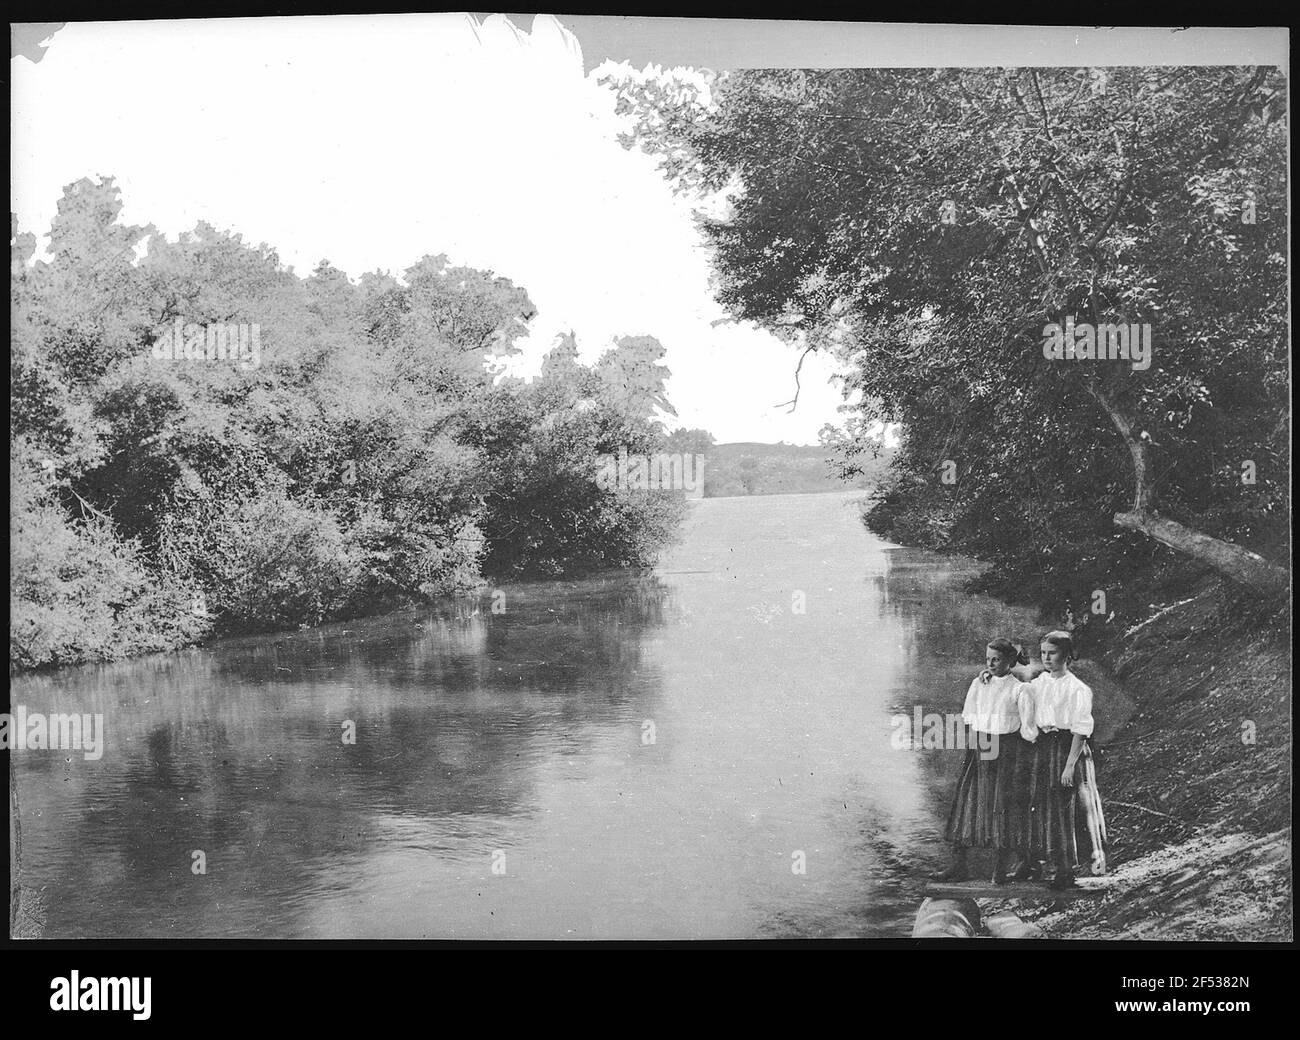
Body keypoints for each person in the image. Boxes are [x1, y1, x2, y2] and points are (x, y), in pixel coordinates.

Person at [931, 638, 1037, 884]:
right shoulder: (979, 684)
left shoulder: (1020, 690)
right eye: (988, 658)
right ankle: (959, 865)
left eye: (996, 659)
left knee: (1002, 806)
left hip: (1006, 751)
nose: (990, 663)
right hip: (980, 748)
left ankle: (1000, 868)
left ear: (1010, 661)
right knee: (969, 802)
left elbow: (1029, 730)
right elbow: (969, 716)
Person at [1022, 630, 1095, 890]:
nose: (1046, 658)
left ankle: (1067, 868)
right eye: (1043, 653)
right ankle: (1037, 862)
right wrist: (988, 677)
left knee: (1065, 806)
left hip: (1067, 749)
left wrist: (1069, 765)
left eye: (1052, 653)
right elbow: (1017, 690)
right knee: (1039, 802)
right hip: (1045, 747)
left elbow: (1081, 731)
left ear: (1066, 654)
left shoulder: (1077, 688)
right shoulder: (1040, 683)